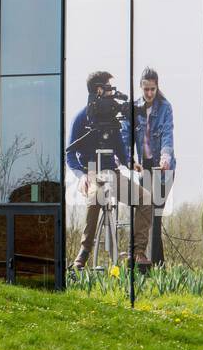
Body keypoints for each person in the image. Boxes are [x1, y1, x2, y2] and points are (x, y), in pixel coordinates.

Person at [66, 70, 153, 272]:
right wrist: (81, 176)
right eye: (108, 88)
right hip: (92, 172)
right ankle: (83, 254)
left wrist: (130, 162)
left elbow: (120, 150)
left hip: (113, 173)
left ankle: (137, 252)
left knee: (146, 199)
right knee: (96, 196)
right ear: (99, 89)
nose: (112, 92)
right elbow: (70, 153)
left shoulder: (113, 118)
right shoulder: (81, 118)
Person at [131, 67, 174, 265]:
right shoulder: (133, 109)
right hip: (143, 168)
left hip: (163, 169)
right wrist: (128, 159)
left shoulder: (165, 108)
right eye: (146, 89)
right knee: (143, 214)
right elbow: (126, 137)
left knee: (156, 216)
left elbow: (167, 135)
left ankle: (158, 266)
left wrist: (165, 157)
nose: (149, 93)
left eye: (153, 89)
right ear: (140, 87)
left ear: (157, 88)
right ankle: (144, 259)